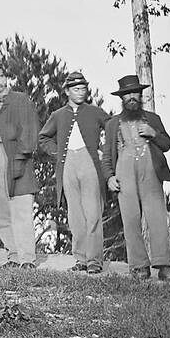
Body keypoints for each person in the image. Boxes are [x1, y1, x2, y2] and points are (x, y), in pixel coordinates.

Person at [103, 75, 170, 282]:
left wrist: (153, 133)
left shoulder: (153, 119)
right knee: (131, 219)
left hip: (150, 171)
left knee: (157, 218)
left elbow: (167, 144)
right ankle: (139, 267)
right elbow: (107, 155)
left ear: (140, 95)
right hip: (124, 172)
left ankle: (164, 266)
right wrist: (109, 177)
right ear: (122, 98)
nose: (132, 97)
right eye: (127, 94)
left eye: (135, 92)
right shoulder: (113, 124)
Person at [39, 72, 110, 274]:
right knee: (75, 215)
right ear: (67, 91)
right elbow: (44, 138)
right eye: (76, 89)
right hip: (67, 163)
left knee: (93, 212)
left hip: (90, 162)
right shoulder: (58, 115)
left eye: (83, 89)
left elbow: (113, 129)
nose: (80, 93)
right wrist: (58, 152)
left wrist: (103, 151)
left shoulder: (95, 112)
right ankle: (80, 258)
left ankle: (94, 260)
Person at [0, 63, 40, 267]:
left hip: (16, 157)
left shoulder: (20, 100)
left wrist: (19, 161)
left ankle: (27, 258)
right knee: (2, 211)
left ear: (5, 78)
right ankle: (13, 254)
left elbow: (29, 132)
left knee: (21, 208)